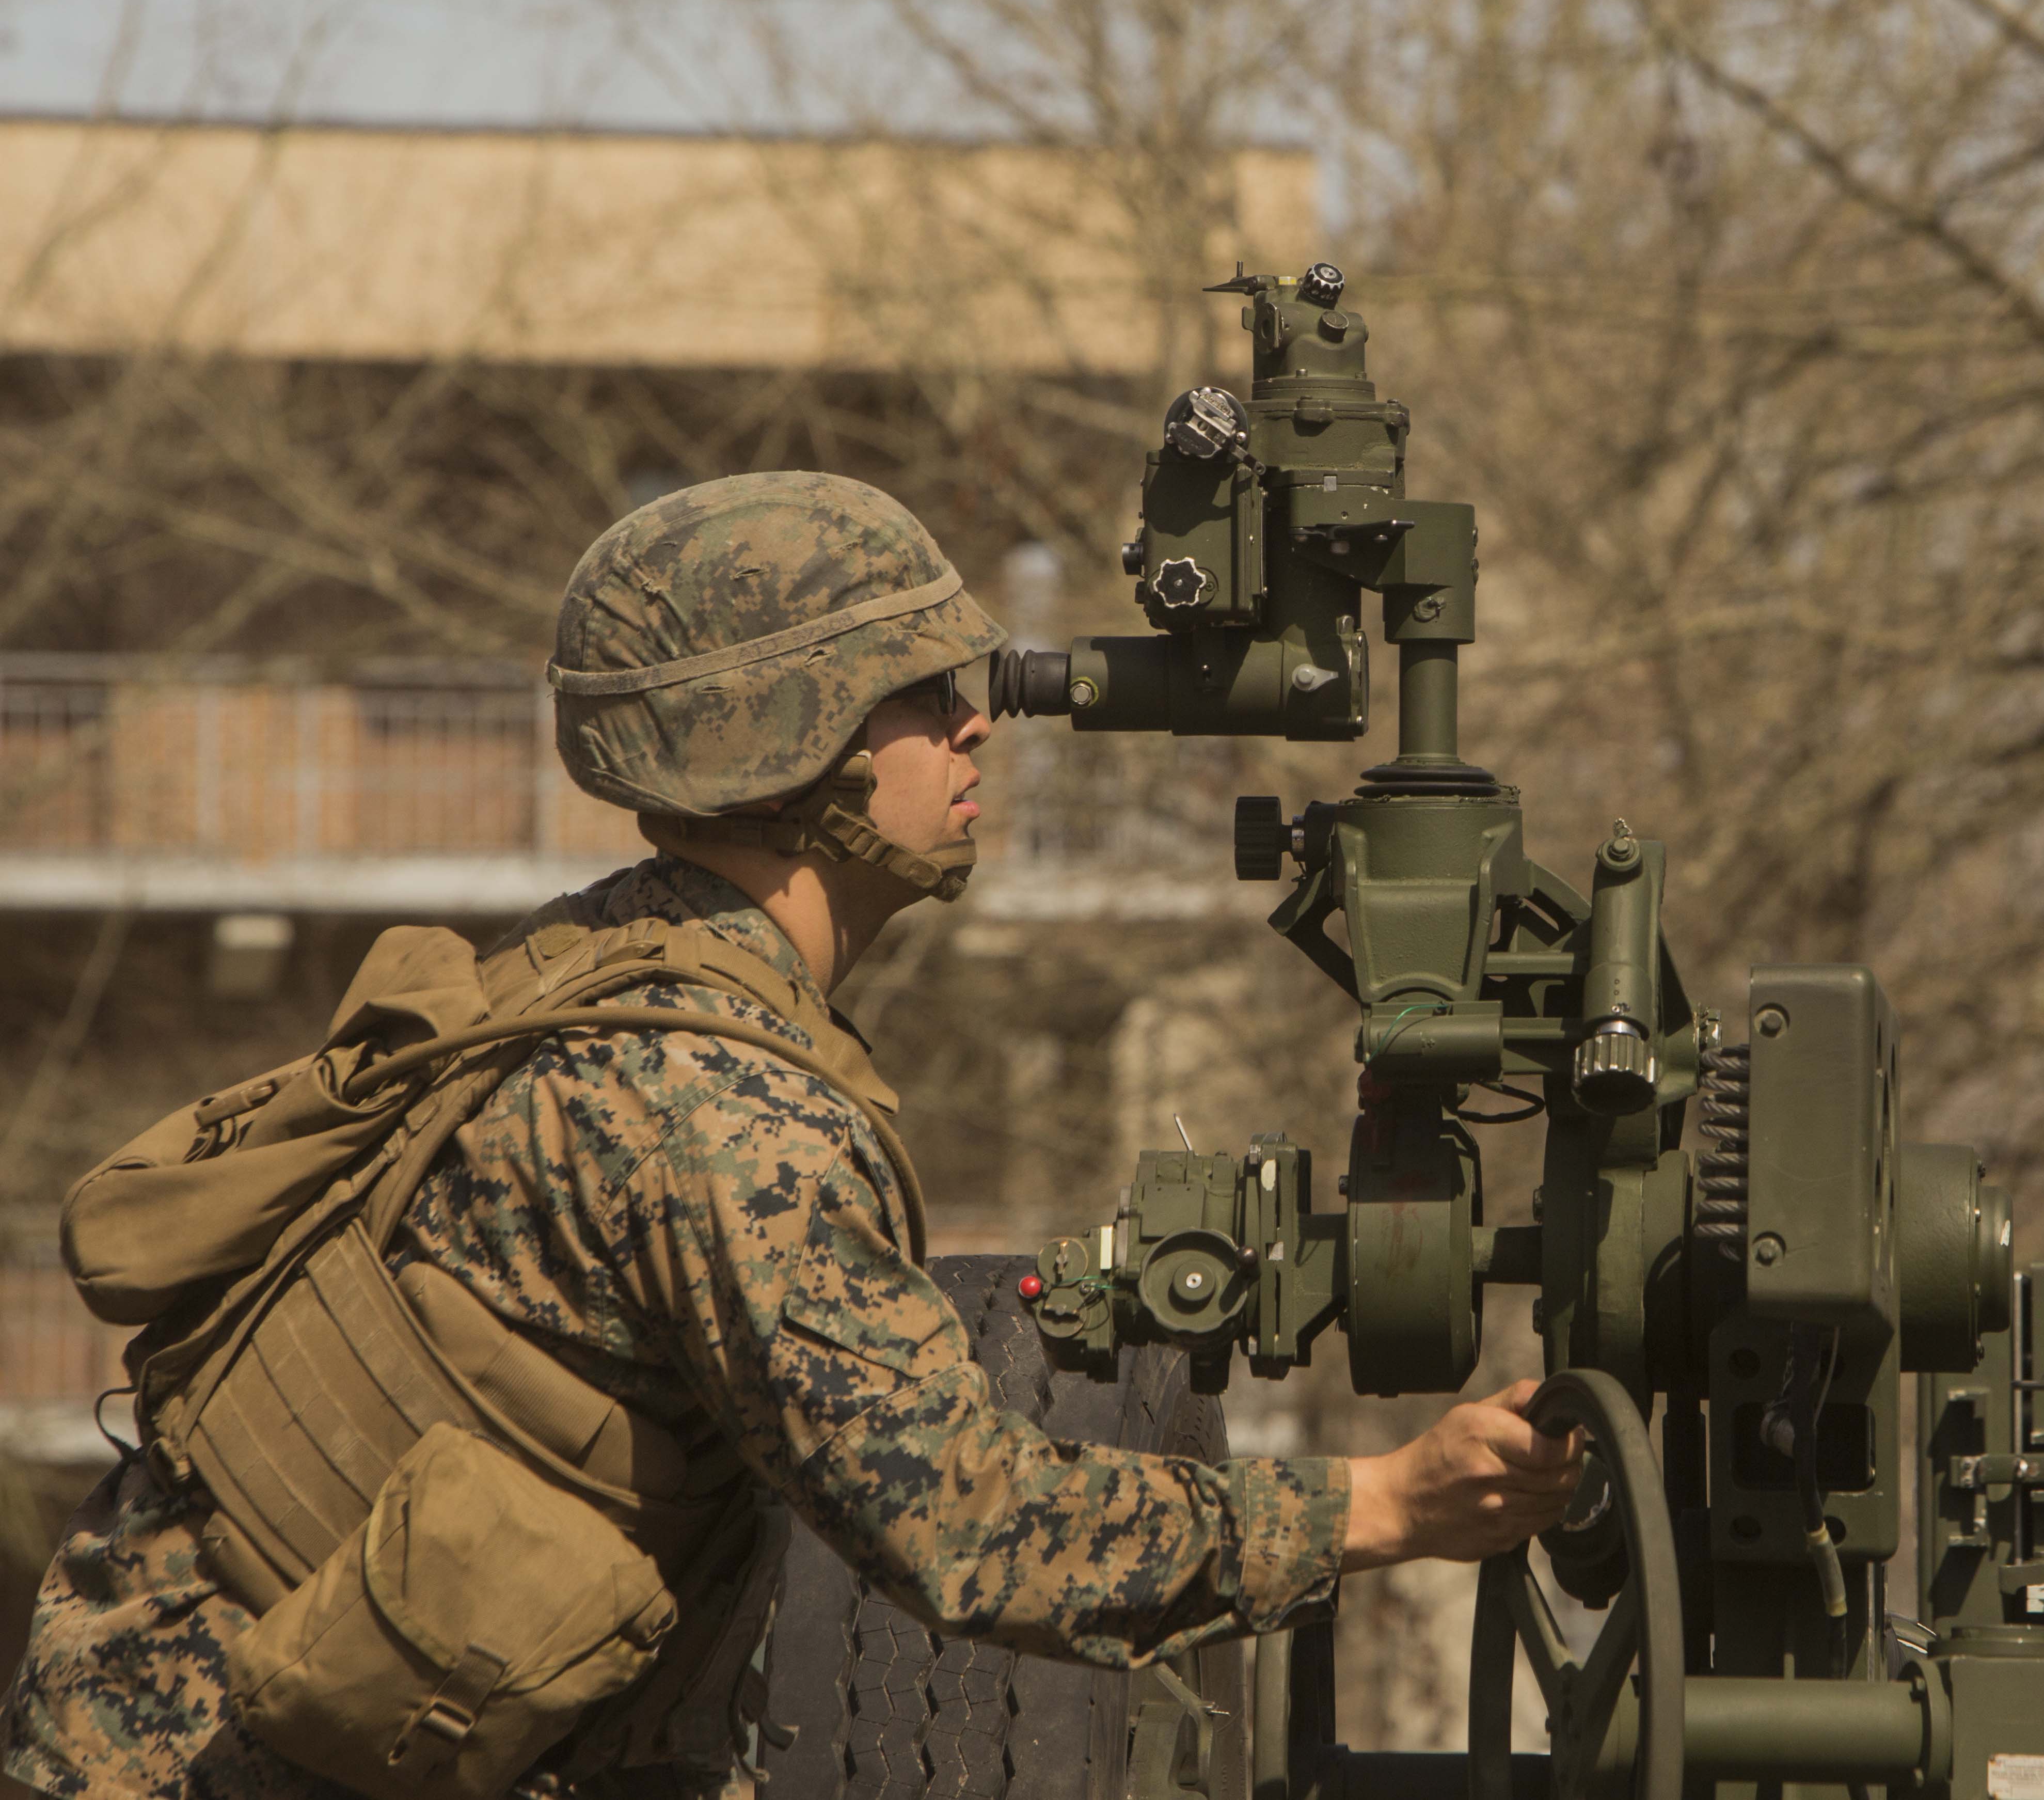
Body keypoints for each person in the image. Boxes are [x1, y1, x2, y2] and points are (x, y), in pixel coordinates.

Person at [0, 471, 1580, 1800]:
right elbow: (965, 1529)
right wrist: (1380, 1508)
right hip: (214, 1757)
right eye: (919, 698)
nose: (974, 731)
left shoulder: (597, 958)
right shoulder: (727, 1114)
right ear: (791, 738)